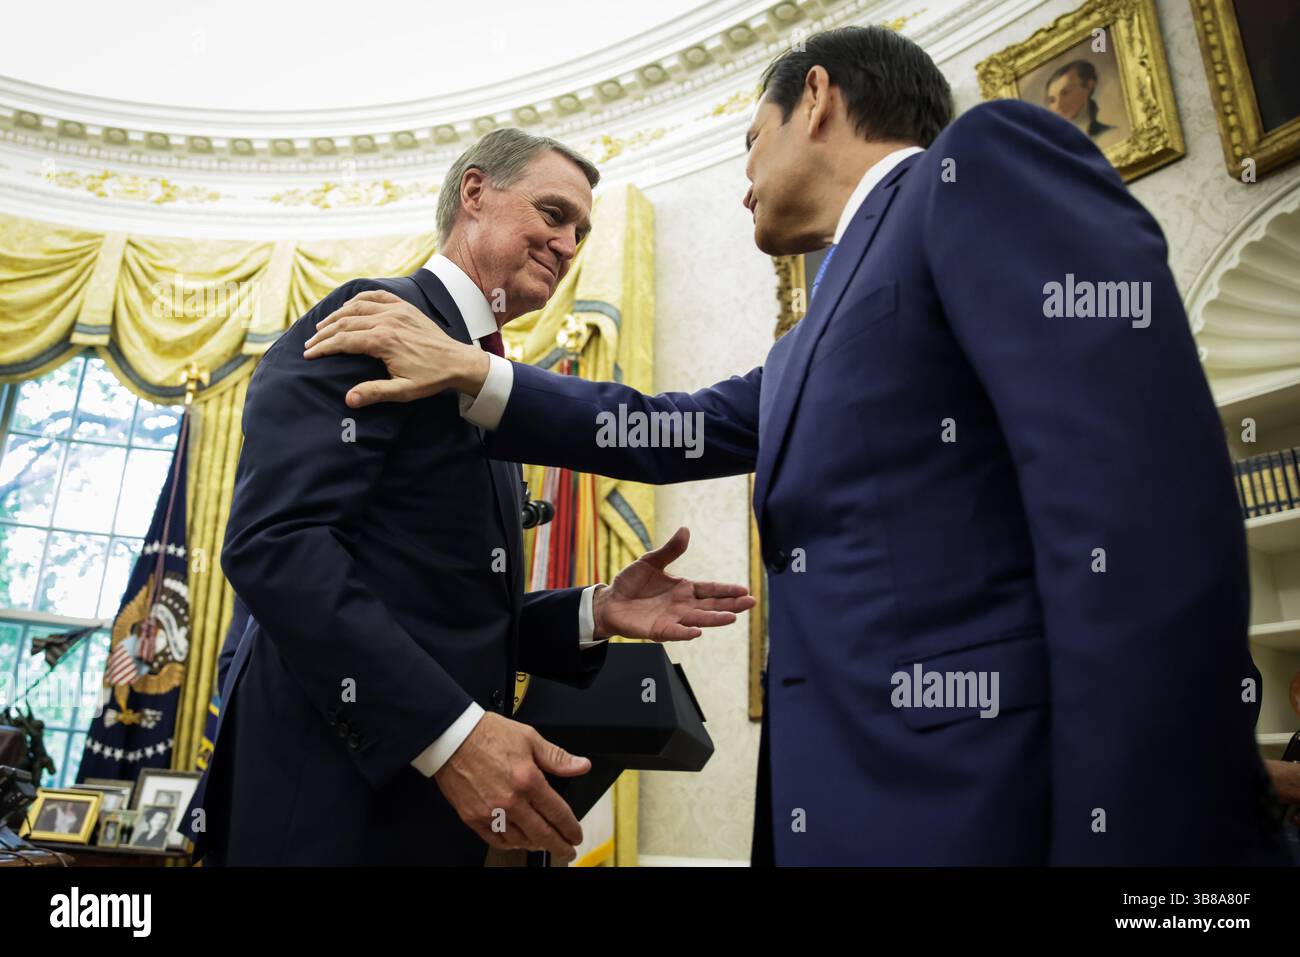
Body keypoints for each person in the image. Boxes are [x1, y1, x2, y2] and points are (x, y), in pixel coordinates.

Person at [304, 26, 1289, 866]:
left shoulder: (977, 167)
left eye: (746, 142)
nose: (740, 185)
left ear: (814, 98)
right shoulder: (813, 328)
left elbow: (1138, 512)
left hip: (989, 808)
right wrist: (476, 375)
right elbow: (669, 427)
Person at [195, 128, 754, 866]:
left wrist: (594, 610)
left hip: (422, 819)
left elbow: (438, 605)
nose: (566, 243)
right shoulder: (377, 321)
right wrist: (452, 734)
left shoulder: (484, 376)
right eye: (552, 213)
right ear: (475, 194)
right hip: (324, 804)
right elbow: (277, 549)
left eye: (581, 231)